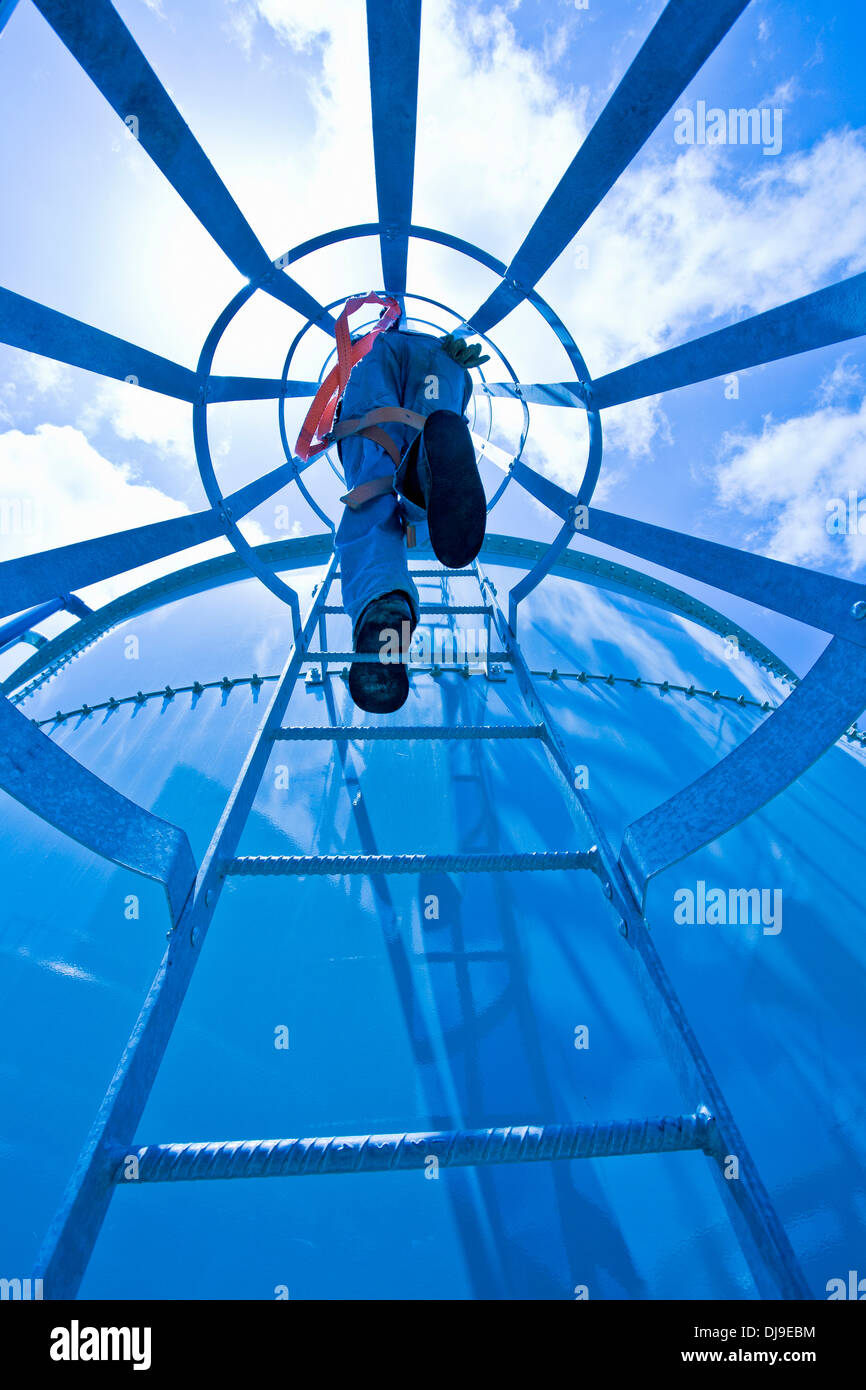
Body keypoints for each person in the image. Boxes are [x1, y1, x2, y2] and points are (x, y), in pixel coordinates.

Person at [333, 322, 489, 713]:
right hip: (439, 363)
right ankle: (423, 488)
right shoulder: (380, 344)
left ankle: (383, 600)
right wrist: (457, 367)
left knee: (370, 487)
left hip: (384, 367)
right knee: (428, 434)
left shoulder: (371, 347)